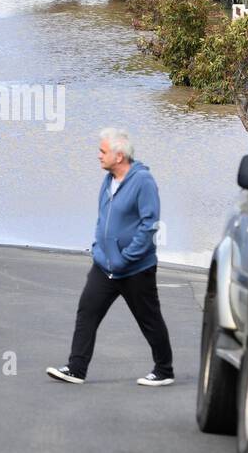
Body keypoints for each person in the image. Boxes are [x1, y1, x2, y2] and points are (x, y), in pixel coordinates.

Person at [47, 128, 175, 387]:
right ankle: (76, 369)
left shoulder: (143, 181)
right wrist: (99, 249)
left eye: (103, 151)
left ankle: (164, 370)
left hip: (136, 269)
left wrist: (126, 258)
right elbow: (102, 220)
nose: (98, 156)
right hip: (104, 266)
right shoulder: (108, 180)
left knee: (149, 320)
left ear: (119, 156)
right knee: (87, 311)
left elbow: (150, 225)